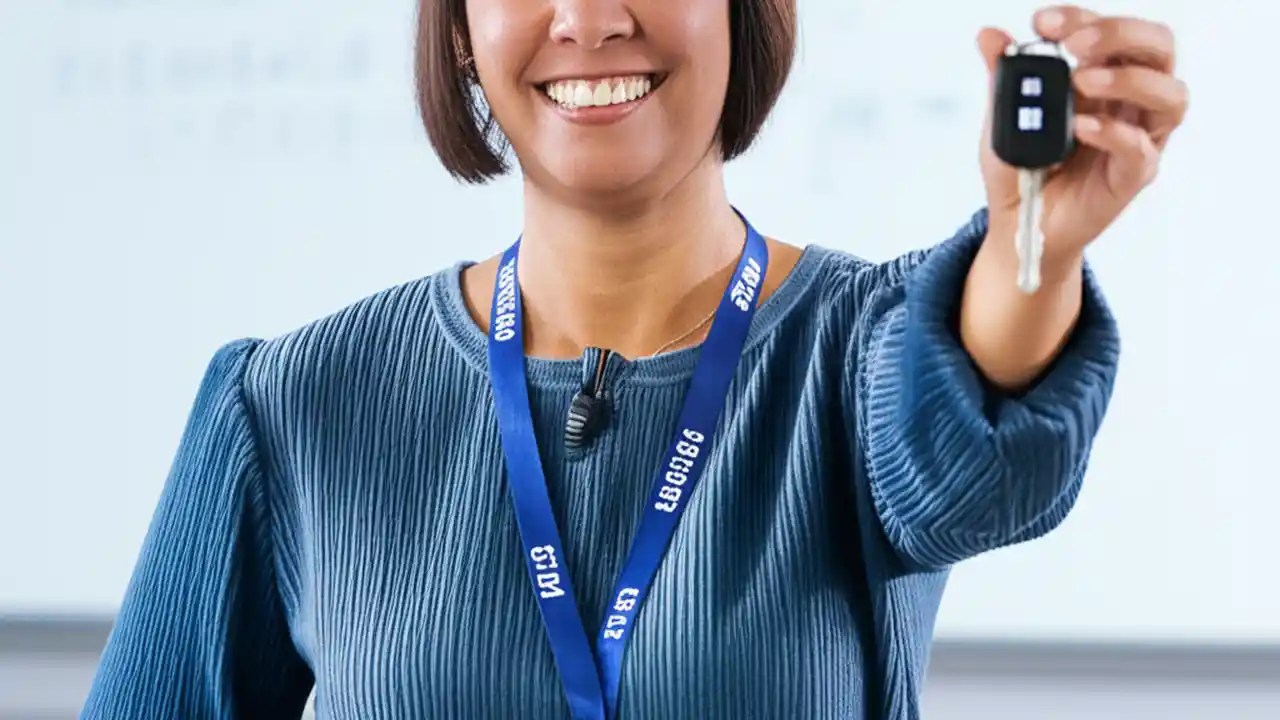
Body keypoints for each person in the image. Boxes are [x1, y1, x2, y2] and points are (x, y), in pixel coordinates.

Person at [81, 2, 1188, 719]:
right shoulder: (289, 409)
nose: (589, 19)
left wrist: (1029, 240)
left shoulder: (855, 358)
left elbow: (974, 413)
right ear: (461, 28)